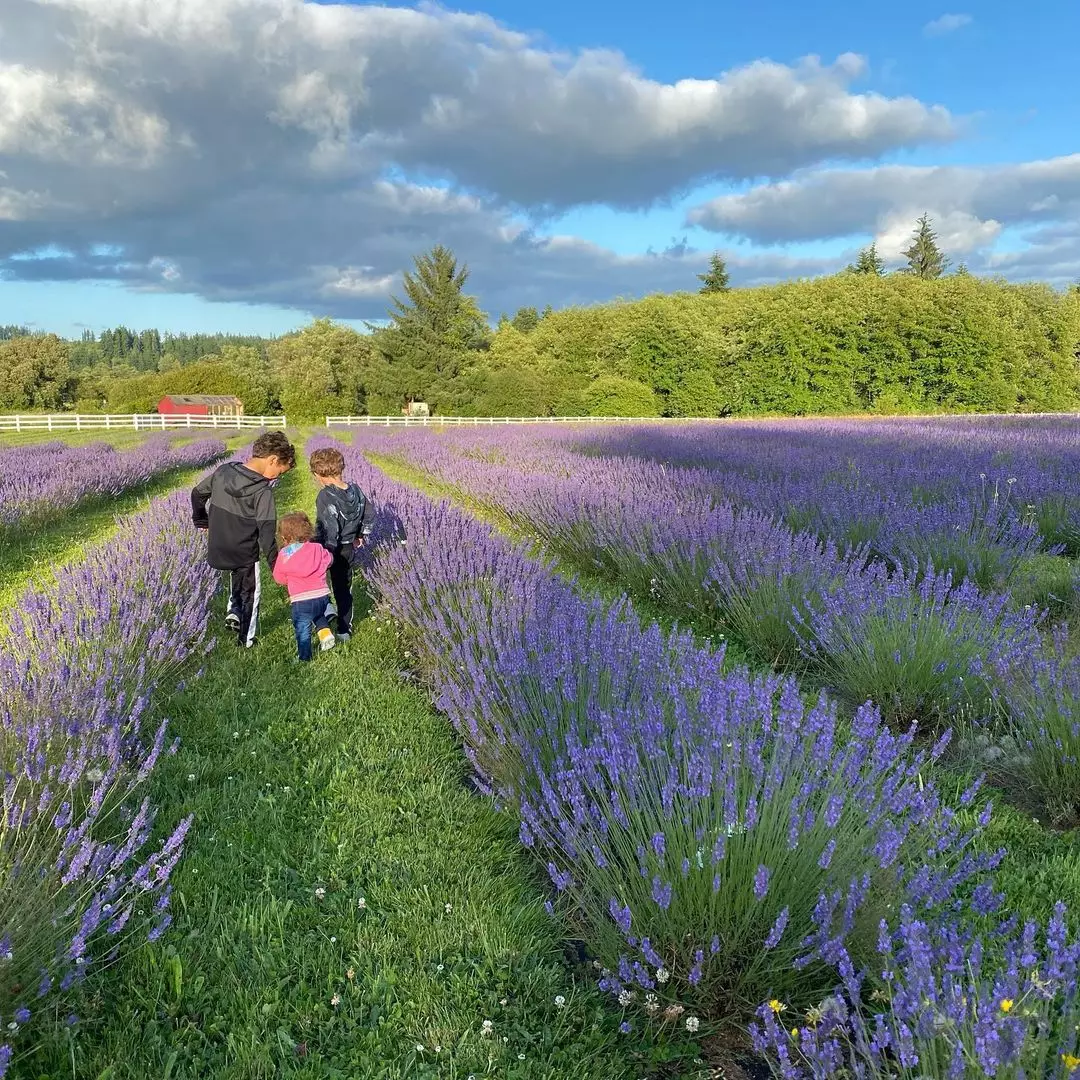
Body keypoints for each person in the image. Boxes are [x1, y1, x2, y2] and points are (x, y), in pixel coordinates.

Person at [191, 431, 295, 648]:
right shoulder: (262, 491)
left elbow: (197, 493)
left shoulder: (223, 471)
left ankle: (233, 611)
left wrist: (202, 521)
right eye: (279, 471)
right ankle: (246, 640)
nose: (277, 477)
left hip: (218, 548)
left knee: (235, 575)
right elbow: (267, 534)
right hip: (244, 552)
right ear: (272, 460)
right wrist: (277, 567)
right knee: (251, 592)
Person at [310, 446, 375, 643]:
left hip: (329, 548)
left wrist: (324, 551)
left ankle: (327, 613)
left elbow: (329, 526)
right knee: (343, 588)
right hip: (348, 548)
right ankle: (344, 630)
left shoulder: (325, 496)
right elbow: (369, 514)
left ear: (319, 474)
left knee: (317, 583)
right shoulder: (356, 490)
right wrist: (361, 534)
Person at [272, 511, 336, 661]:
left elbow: (278, 577)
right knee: (319, 615)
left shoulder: (285, 554)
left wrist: (288, 580)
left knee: (302, 628)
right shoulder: (317, 548)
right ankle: (325, 634)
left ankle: (304, 657)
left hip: (301, 600)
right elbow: (330, 560)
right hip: (322, 596)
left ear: (283, 536)